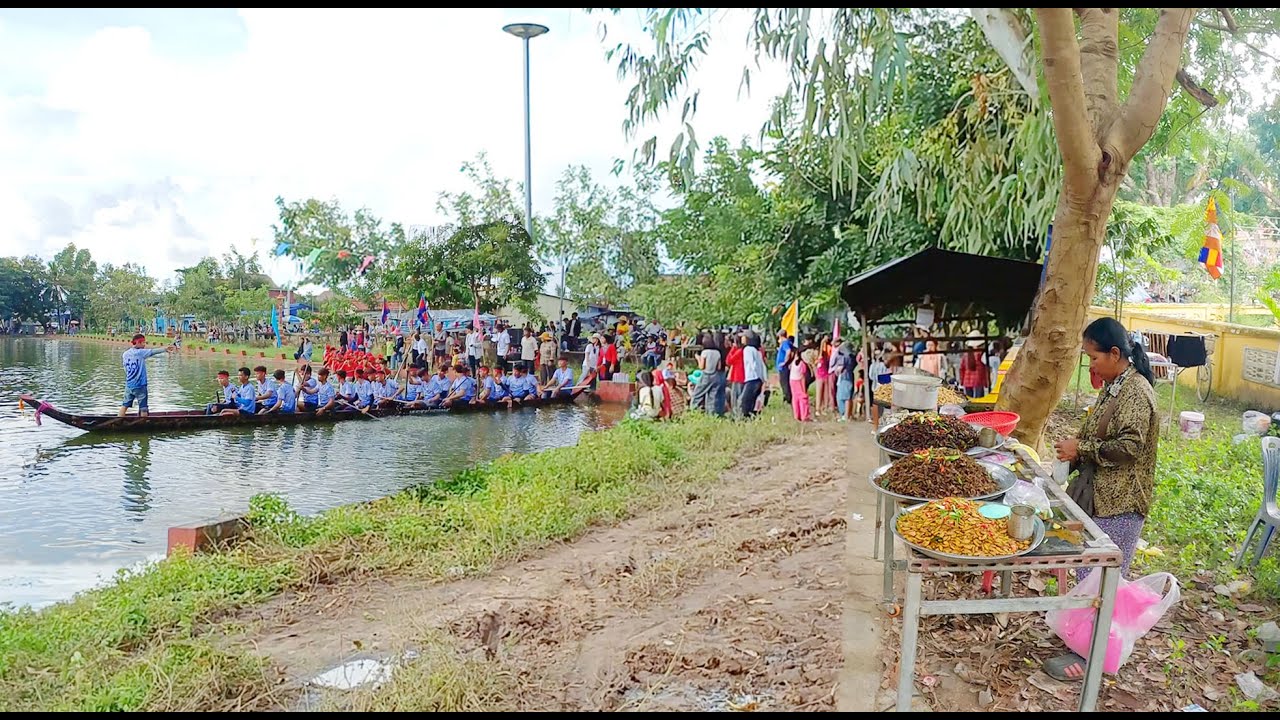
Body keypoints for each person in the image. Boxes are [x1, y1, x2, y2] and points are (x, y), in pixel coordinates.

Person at [1044, 317, 1158, 683]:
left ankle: (1092, 658)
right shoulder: (1114, 386)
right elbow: (1097, 431)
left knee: (1106, 583)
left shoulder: (1137, 391)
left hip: (1120, 501)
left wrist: (1084, 447)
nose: (1090, 366)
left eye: (1093, 358)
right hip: (1098, 495)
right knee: (1089, 575)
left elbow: (1130, 446)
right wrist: (1074, 454)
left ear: (1114, 353)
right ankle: (1083, 641)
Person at [118, 333, 176, 417]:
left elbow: (125, 368)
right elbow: (153, 352)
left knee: (125, 405)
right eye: (143, 343)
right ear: (138, 342)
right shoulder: (140, 353)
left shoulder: (125, 354)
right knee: (143, 408)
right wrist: (165, 349)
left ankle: (118, 421)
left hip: (129, 384)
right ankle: (143, 425)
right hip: (140, 385)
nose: (145, 345)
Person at [690, 332, 724, 415]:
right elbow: (719, 367)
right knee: (712, 397)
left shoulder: (705, 352)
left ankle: (693, 412)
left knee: (697, 394)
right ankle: (711, 414)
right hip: (715, 376)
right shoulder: (717, 352)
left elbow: (702, 367)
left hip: (706, 375)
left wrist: (698, 358)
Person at [740, 333, 767, 418]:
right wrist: (763, 379)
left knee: (745, 401)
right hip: (758, 379)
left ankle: (746, 418)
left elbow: (752, 364)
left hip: (752, 378)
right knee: (752, 400)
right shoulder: (756, 350)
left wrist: (755, 374)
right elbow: (761, 365)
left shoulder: (747, 349)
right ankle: (752, 417)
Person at [788, 345, 811, 422]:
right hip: (799, 381)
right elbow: (803, 377)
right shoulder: (802, 364)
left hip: (792, 381)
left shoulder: (793, 362)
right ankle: (804, 416)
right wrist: (804, 389)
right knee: (803, 398)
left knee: (795, 398)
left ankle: (796, 415)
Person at [776, 331, 794, 405]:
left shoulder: (785, 343)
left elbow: (788, 351)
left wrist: (785, 362)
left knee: (785, 384)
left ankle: (787, 399)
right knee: (784, 383)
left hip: (783, 368)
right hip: (782, 367)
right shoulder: (785, 343)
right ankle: (787, 398)